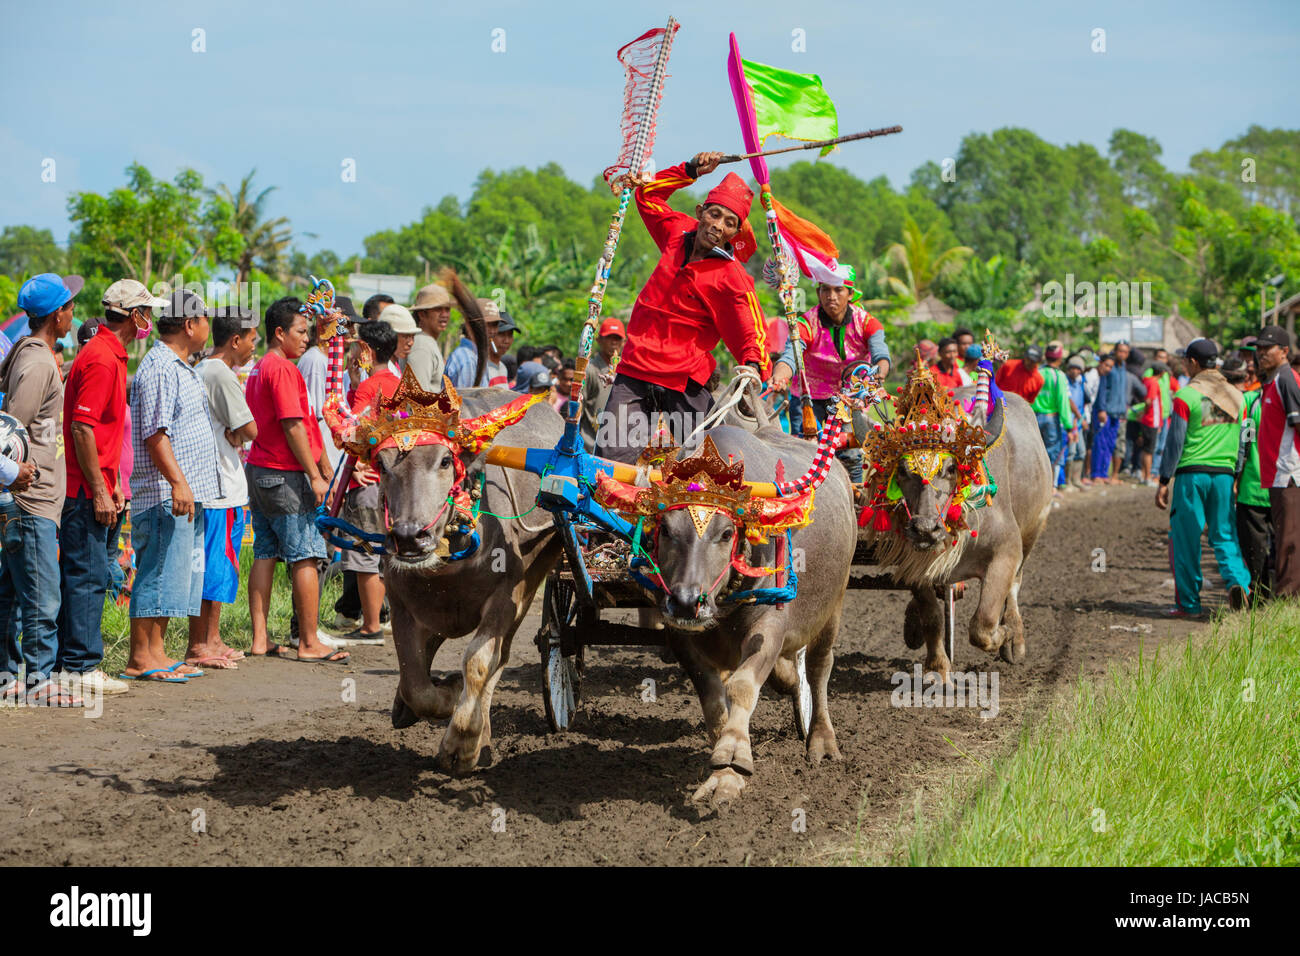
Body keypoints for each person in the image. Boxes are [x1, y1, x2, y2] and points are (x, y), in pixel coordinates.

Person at [594, 151, 770, 463]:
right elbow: (647, 194)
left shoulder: (733, 277)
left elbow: (751, 329)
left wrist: (753, 368)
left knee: (713, 468)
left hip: (685, 381)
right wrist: (690, 170)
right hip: (635, 370)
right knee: (606, 464)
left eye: (730, 223)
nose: (719, 226)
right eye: (714, 215)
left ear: (735, 233)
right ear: (700, 211)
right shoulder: (676, 230)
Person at [61, 279, 161, 695]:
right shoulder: (102, 358)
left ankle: (77, 662)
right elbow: (83, 428)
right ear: (133, 315)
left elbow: (104, 431)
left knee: (93, 573)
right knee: (85, 576)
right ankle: (79, 666)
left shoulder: (111, 353)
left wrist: (114, 482)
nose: (150, 321)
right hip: (85, 490)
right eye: (147, 312)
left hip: (99, 485)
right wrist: (100, 489)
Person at [122, 291, 221, 682]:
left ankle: (157, 652)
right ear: (190, 324)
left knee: (171, 576)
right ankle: (140, 657)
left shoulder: (178, 365)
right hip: (165, 493)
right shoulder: (161, 366)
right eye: (206, 319)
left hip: (180, 493)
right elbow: (155, 434)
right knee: (157, 572)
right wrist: (178, 483)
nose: (208, 326)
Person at [244, 297, 349, 663]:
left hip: (259, 471)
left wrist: (321, 468)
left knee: (266, 553)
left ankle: (260, 639)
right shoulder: (284, 370)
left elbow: (302, 424)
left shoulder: (260, 368)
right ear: (279, 333)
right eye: (301, 332)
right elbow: (293, 426)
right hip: (284, 475)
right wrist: (315, 476)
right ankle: (308, 642)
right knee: (306, 555)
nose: (307, 339)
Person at [0, 274, 78, 705]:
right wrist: (14, 470)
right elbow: (9, 428)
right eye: (68, 308)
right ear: (57, 315)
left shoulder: (34, 356)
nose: (72, 315)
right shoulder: (38, 363)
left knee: (11, 591)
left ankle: (9, 675)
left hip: (29, 499)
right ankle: (39, 680)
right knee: (42, 594)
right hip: (30, 499)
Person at [1155, 338, 1250, 618]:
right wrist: (1237, 473)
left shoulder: (1186, 396)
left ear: (1194, 363)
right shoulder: (1237, 397)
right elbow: (1244, 441)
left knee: (1186, 540)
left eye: (1186, 360)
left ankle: (1189, 605)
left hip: (1191, 477)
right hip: (1224, 476)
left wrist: (1163, 480)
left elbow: (1175, 443)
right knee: (1224, 535)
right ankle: (1238, 583)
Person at [770, 264, 891, 482]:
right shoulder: (805, 323)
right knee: (805, 454)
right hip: (808, 399)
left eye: (838, 290)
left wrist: (879, 373)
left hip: (848, 399)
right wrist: (780, 375)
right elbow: (791, 355)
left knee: (851, 456)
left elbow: (881, 354)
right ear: (818, 293)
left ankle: (855, 502)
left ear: (850, 294)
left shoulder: (867, 323)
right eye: (825, 290)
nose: (831, 296)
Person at [190, 308, 260, 669]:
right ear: (235, 340)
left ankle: (211, 638)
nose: (254, 345)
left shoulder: (207, 369)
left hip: (217, 481)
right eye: (252, 338)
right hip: (221, 486)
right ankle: (201, 643)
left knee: (217, 564)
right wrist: (241, 431)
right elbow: (249, 429)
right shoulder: (219, 372)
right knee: (216, 565)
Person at [334, 320, 403, 645]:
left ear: (367, 350)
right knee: (385, 551)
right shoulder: (398, 383)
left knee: (364, 553)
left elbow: (354, 431)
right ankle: (381, 621)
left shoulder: (370, 387)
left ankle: (370, 626)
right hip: (395, 482)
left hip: (369, 480)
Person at [1254, 325, 1300, 597]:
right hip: (1277, 474)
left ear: (1284, 351)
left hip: (1290, 472)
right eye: (1258, 348)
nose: (1261, 353)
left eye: (1266, 348)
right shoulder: (1272, 381)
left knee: (1289, 540)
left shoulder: (1287, 379)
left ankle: (1288, 599)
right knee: (1284, 537)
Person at [1229, 355, 1272, 601]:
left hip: (1253, 487)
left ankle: (1260, 599)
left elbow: (1242, 445)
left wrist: (1236, 477)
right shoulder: (1290, 401)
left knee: (1255, 551)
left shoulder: (1249, 402)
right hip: (1281, 488)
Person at [1032, 342, 1074, 491]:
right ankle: (1050, 488)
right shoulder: (1059, 376)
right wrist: (1069, 426)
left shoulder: (1036, 372)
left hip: (1033, 418)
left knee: (1034, 452)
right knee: (1053, 454)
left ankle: (1035, 487)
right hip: (1051, 419)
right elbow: (1063, 402)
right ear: (1060, 358)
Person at [580, 318, 625, 452]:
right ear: (599, 340)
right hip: (590, 446)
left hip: (619, 446)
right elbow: (579, 409)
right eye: (609, 337)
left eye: (617, 338)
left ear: (624, 342)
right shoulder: (590, 369)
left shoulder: (626, 372)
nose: (613, 342)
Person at [444, 300, 511, 389]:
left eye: (494, 325)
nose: (492, 331)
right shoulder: (468, 359)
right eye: (487, 325)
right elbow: (466, 401)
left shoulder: (476, 355)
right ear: (471, 325)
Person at [407, 282, 453, 390]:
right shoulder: (421, 345)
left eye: (447, 309)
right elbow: (418, 398)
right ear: (422, 314)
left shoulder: (427, 342)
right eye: (438, 309)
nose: (444, 314)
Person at [1090, 352, 1124, 484]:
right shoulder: (1101, 376)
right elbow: (1102, 393)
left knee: (1109, 445)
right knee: (1100, 443)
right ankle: (1096, 473)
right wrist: (1102, 409)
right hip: (1104, 412)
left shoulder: (1120, 370)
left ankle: (1104, 473)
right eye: (1107, 365)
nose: (1108, 369)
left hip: (1116, 413)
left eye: (1111, 366)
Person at [1063, 355, 1088, 490]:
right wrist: (1079, 418)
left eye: (1078, 369)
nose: (1075, 371)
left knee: (1081, 451)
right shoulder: (1065, 382)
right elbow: (1069, 401)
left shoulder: (1080, 383)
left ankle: (1076, 479)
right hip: (1070, 421)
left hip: (1078, 421)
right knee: (1071, 452)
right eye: (1073, 368)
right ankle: (1067, 482)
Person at [378, 304, 418, 371]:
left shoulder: (395, 366)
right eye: (405, 336)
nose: (411, 343)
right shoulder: (380, 369)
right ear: (388, 336)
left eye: (413, 336)